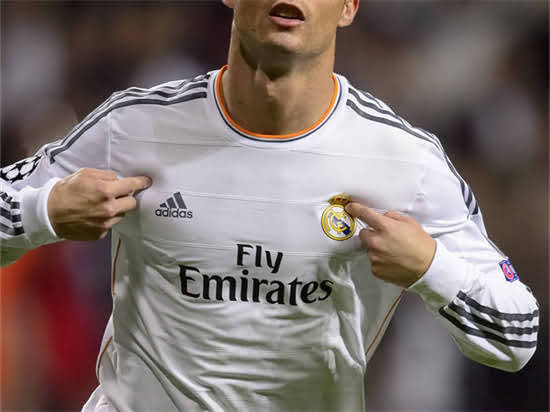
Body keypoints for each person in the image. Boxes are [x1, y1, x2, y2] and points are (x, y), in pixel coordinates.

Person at [0, 0, 539, 410]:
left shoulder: (403, 161)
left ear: (349, 7)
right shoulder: (134, 127)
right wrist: (43, 211)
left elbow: (518, 334)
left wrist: (429, 268)